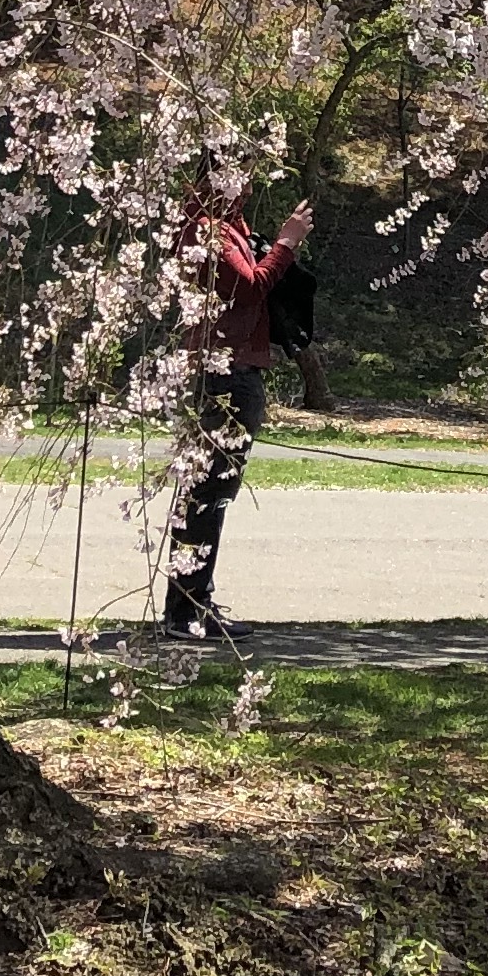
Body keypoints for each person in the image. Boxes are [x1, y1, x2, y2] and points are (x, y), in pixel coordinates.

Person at [165, 170, 311, 641]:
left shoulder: (226, 228)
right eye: (236, 177)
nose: (246, 187)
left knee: (212, 492)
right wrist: (286, 245)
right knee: (209, 491)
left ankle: (193, 603)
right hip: (223, 373)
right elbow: (247, 287)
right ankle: (186, 611)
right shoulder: (205, 229)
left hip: (234, 366)